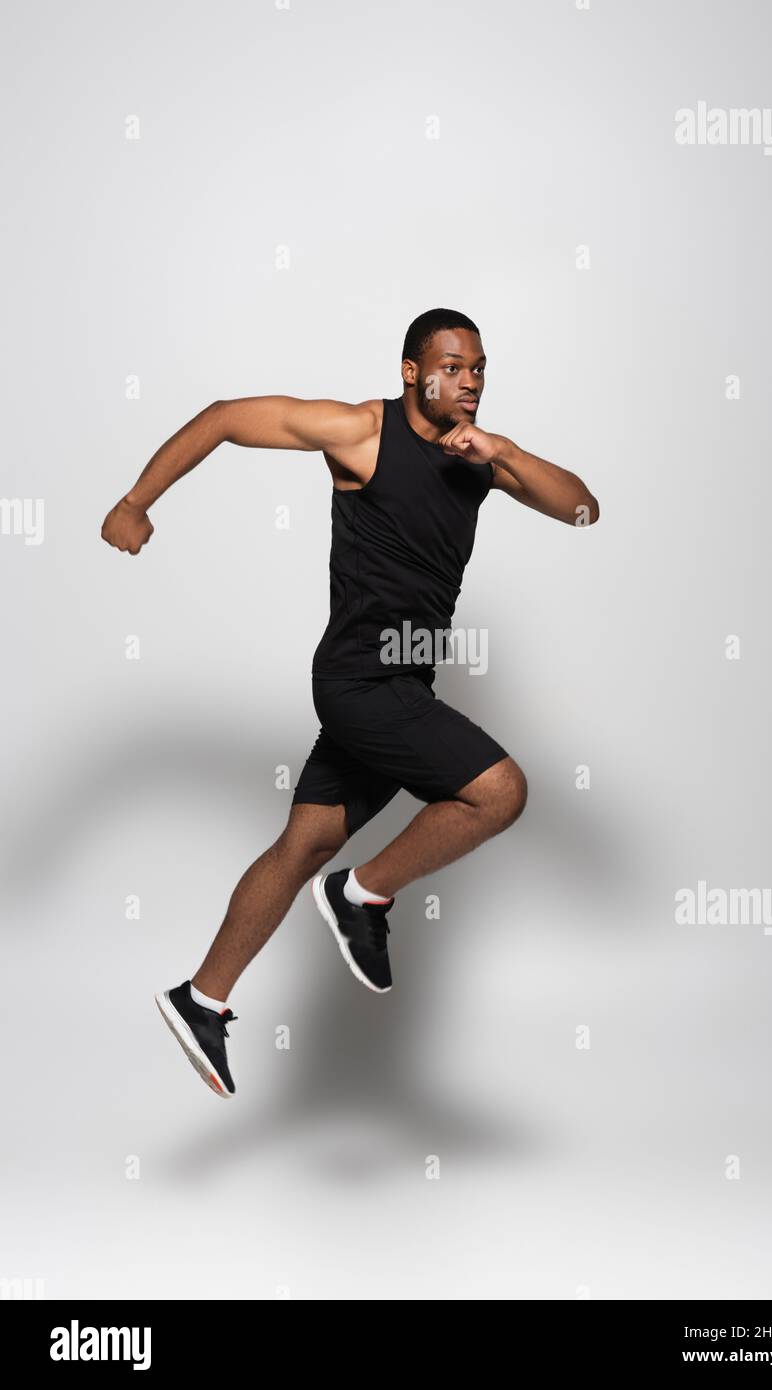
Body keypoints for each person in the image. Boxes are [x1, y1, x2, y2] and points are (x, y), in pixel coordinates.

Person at [100, 308, 600, 1097]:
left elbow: (581, 508)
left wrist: (504, 451)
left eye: (477, 368)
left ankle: (200, 998)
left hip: (404, 685)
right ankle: (360, 891)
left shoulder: (479, 459)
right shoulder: (360, 433)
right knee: (499, 791)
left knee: (301, 844)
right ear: (411, 372)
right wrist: (135, 501)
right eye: (450, 366)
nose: (467, 381)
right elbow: (228, 418)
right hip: (359, 682)